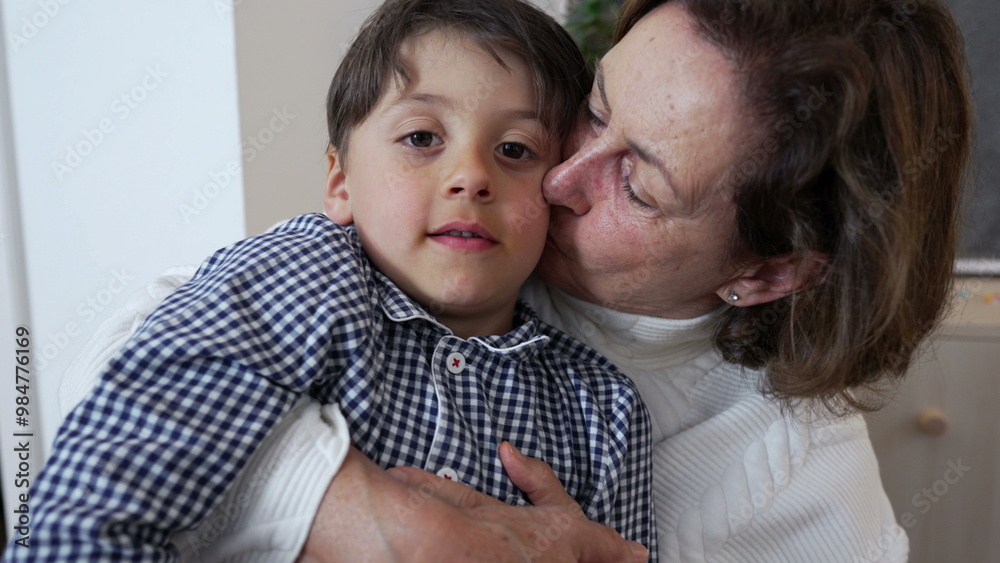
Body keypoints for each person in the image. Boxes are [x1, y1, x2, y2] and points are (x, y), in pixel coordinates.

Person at [168, 0, 968, 561]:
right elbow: (119, 360)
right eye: (595, 103)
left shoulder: (804, 489)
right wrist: (335, 504)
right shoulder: (435, 241)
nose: (556, 179)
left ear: (766, 271)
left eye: (640, 186)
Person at [3, 1, 660, 561]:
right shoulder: (309, 276)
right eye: (423, 136)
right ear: (340, 182)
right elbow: (114, 468)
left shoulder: (601, 409)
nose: (471, 175)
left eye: (514, 149)